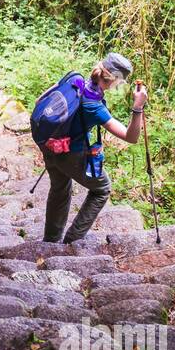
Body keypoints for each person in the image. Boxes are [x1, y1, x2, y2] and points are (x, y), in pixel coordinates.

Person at [42, 52, 148, 244]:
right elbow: (131, 137)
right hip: (71, 154)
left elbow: (40, 100)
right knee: (102, 189)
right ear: (114, 81)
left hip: (50, 145)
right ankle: (71, 241)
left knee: (59, 188)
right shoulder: (94, 106)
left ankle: (50, 242)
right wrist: (138, 107)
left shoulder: (76, 82)